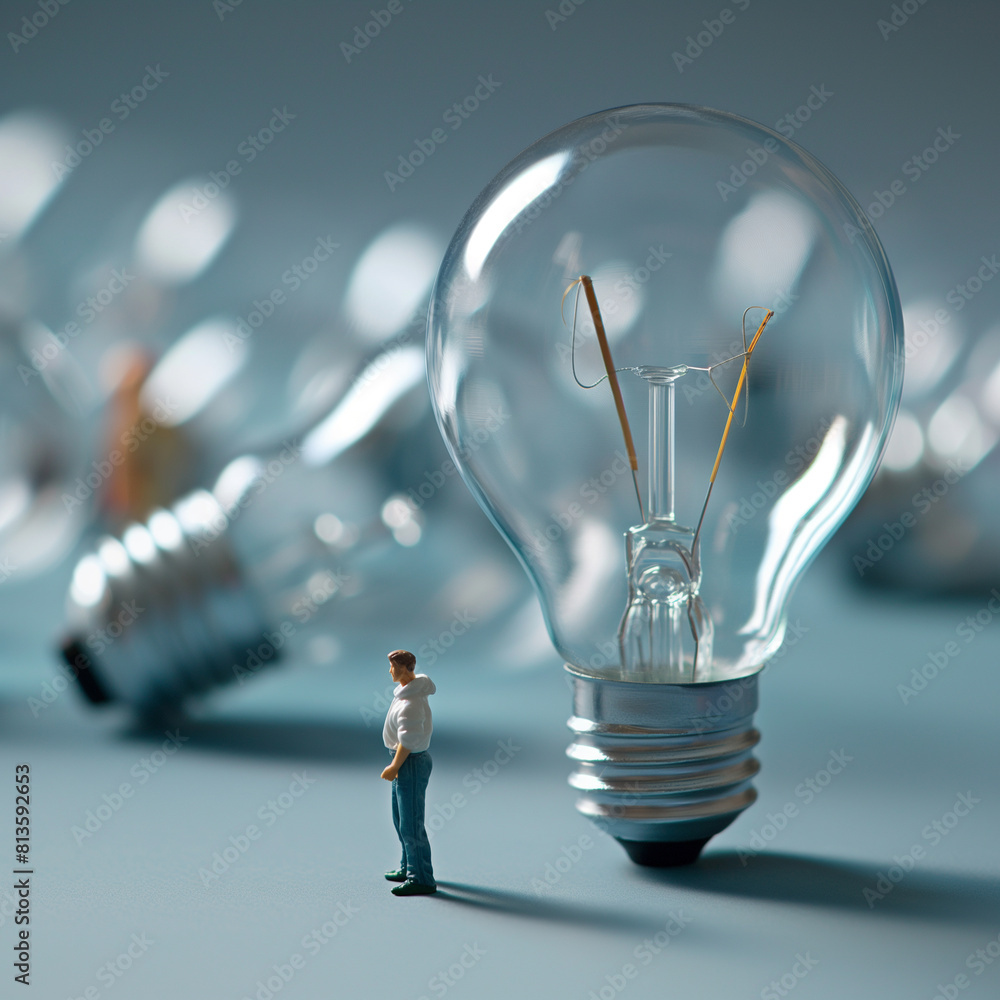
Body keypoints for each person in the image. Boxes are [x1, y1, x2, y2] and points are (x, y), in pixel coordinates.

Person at [381, 649, 436, 895]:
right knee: (401, 819)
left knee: (411, 823)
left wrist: (395, 766)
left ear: (405, 668)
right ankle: (408, 865)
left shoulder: (411, 702)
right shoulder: (406, 694)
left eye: (393, 666)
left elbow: (409, 740)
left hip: (409, 763)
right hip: (404, 762)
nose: (390, 671)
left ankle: (421, 877)